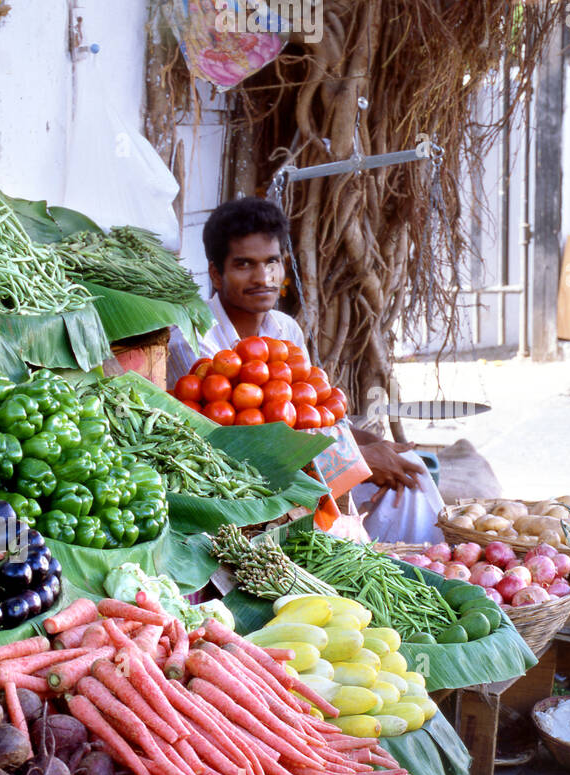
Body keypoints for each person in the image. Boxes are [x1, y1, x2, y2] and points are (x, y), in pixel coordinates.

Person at [166, 197, 445, 542]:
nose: (262, 277)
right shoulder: (193, 340)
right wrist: (359, 459)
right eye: (244, 265)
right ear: (215, 274)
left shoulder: (286, 330)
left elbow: (310, 419)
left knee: (411, 471)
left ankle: (421, 567)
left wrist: (373, 444)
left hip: (306, 468)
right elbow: (235, 447)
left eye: (271, 262)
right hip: (239, 486)